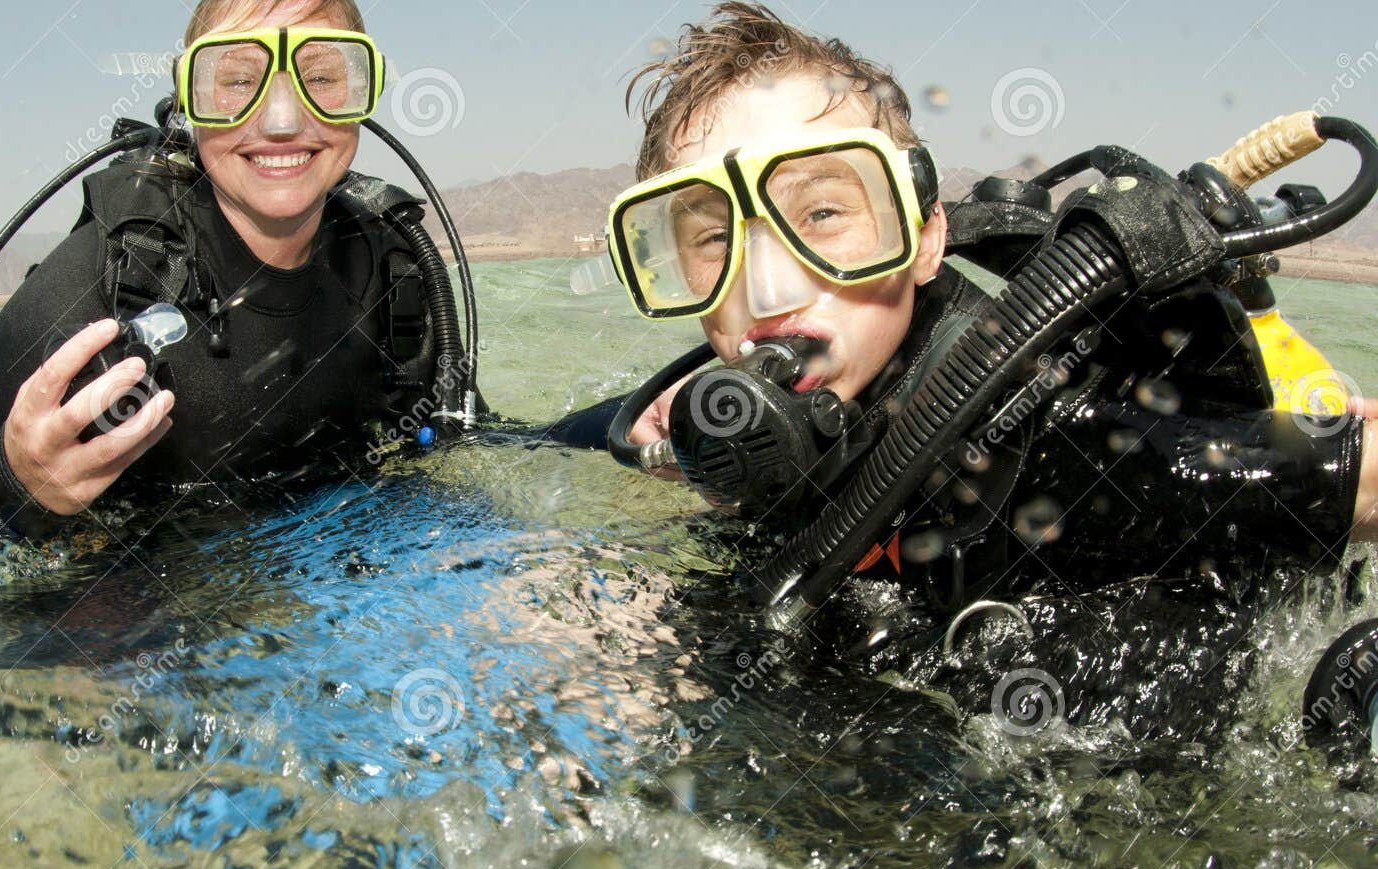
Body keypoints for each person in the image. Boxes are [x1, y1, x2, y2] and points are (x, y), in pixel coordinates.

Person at [586, 2, 1378, 628]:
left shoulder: (1048, 437)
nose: (764, 291)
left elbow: (1357, 474)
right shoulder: (686, 427)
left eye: (823, 213)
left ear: (925, 238)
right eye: (715, 237)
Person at [0, 0, 470, 544]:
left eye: (320, 78)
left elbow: (460, 439)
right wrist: (16, 486)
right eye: (239, 82)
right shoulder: (104, 282)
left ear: (361, 91)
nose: (281, 120)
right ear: (189, 99)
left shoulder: (395, 272)